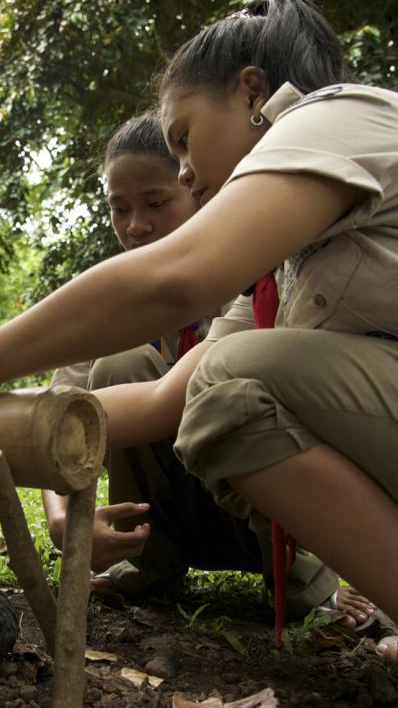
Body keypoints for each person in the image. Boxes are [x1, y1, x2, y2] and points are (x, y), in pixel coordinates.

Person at [0, 0, 398, 708]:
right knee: (226, 383)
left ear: (252, 91)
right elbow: (161, 399)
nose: (182, 173)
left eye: (182, 139)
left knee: (239, 381)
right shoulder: (291, 273)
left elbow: (175, 282)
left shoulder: (340, 117)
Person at [43, 113, 374, 629]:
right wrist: (61, 518)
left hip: (266, 515)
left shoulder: (262, 281)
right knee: (121, 363)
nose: (135, 225)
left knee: (246, 383)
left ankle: (304, 581)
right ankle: (152, 563)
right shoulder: (110, 301)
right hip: (166, 515)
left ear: (195, 189)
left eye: (155, 203)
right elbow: (60, 414)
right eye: (119, 208)